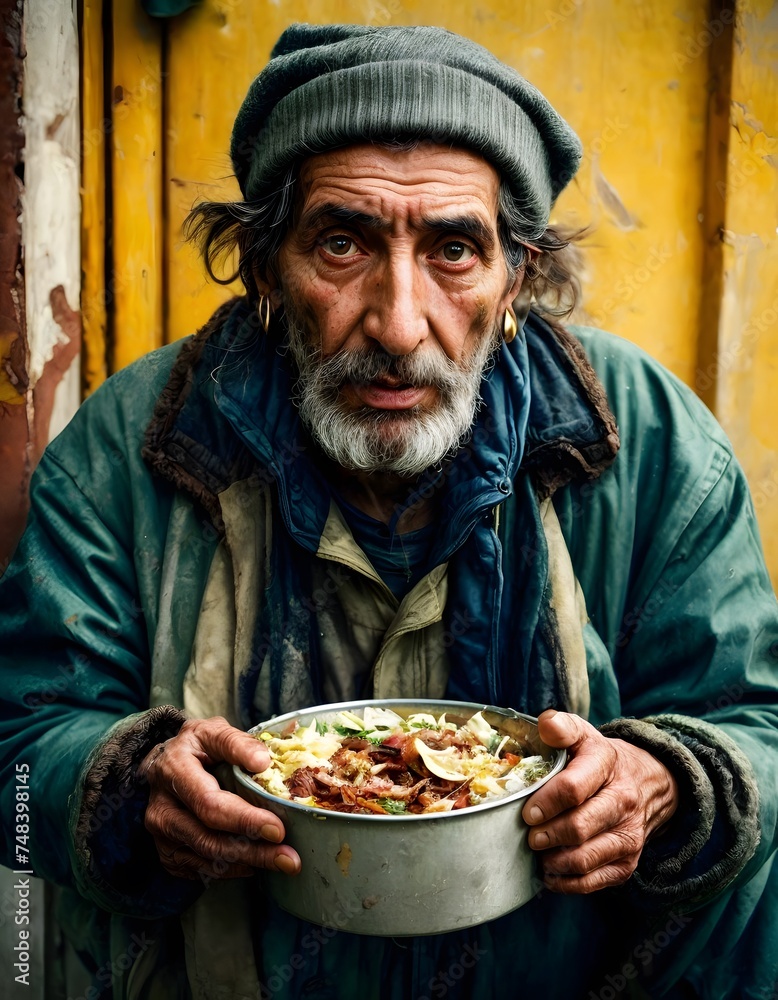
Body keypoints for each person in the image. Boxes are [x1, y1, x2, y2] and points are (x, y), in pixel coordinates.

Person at [0, 22, 776, 1000]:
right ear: (267, 267)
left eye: (453, 249)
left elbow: (755, 722)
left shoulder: (652, 445)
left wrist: (666, 785)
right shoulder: (125, 452)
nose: (399, 324)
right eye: (341, 243)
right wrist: (120, 791)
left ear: (517, 279)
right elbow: (15, 766)